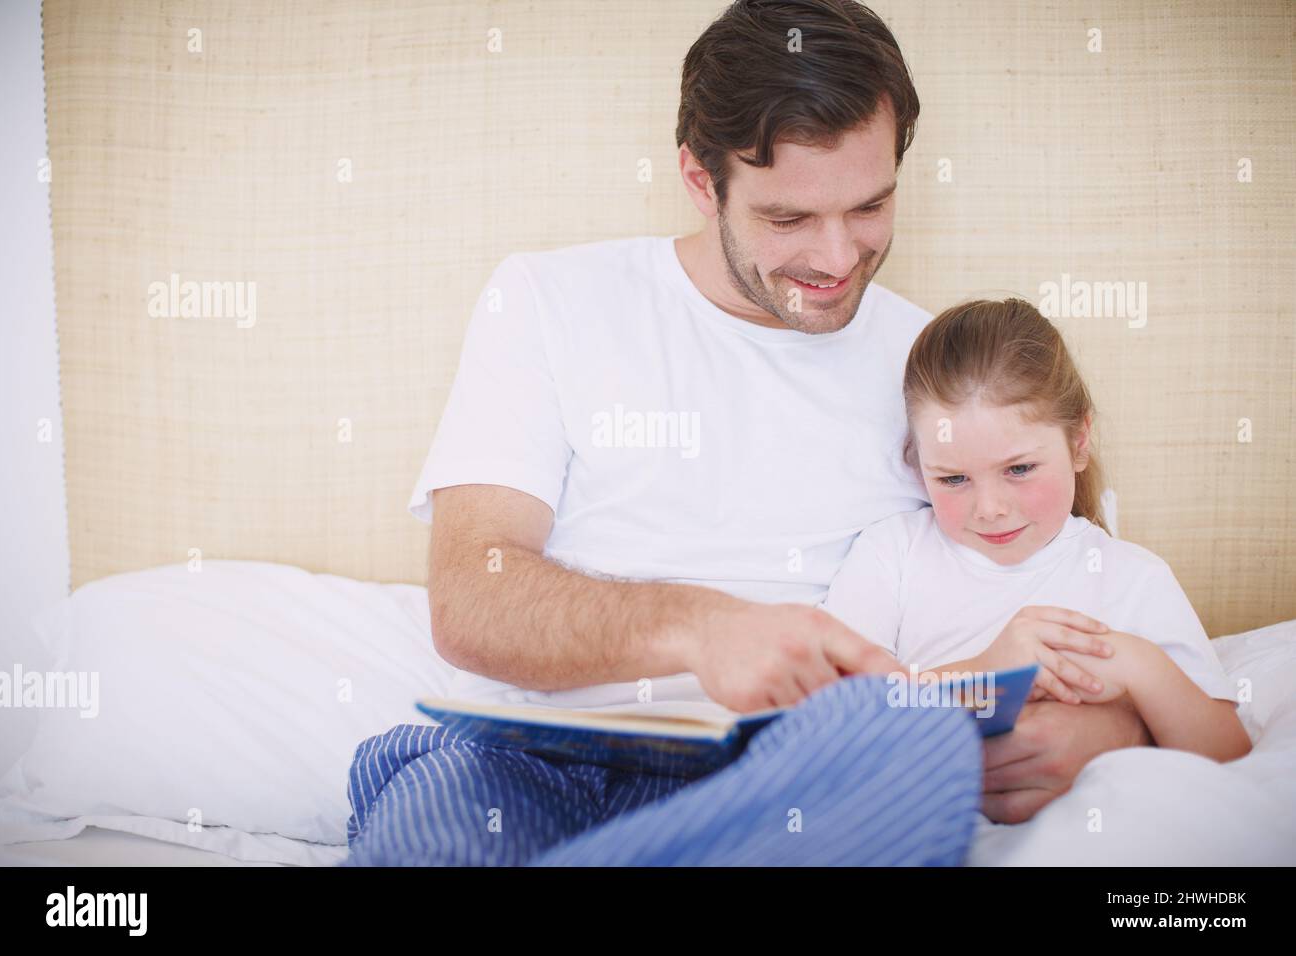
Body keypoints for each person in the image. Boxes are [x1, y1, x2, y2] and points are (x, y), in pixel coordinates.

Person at [344, 0, 1152, 866]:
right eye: (787, 219)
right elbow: (473, 597)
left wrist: (1111, 731)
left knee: (910, 745)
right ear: (700, 178)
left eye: (870, 207)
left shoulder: (937, 369)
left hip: (795, 770)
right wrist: (702, 629)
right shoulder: (548, 300)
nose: (838, 259)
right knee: (435, 829)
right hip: (523, 759)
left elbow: (1059, 568)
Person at [820, 298, 1252, 774]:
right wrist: (985, 670)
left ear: (1079, 441)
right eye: (953, 479)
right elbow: (831, 720)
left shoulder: (1132, 577)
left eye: (1020, 468)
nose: (990, 509)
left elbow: (1229, 755)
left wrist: (1135, 665)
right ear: (916, 461)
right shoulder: (892, 554)